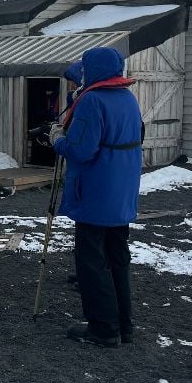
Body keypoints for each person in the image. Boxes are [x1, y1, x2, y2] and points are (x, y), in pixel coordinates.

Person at [51, 47, 143, 348]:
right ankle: (123, 325)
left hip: (96, 190)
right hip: (122, 190)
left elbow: (81, 149)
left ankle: (103, 328)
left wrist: (57, 140)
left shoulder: (91, 101)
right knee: (117, 258)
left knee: (91, 262)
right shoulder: (127, 99)